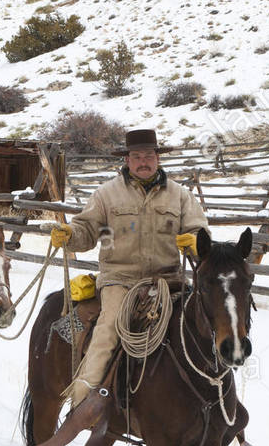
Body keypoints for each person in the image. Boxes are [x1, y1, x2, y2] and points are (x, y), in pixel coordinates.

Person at [49, 127, 209, 409]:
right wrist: (70, 235)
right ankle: (83, 401)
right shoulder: (106, 194)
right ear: (127, 160)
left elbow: (199, 233)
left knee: (204, 324)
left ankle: (216, 396)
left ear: (158, 159)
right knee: (109, 326)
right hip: (119, 280)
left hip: (169, 280)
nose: (143, 161)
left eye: (149, 155)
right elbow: (85, 229)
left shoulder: (181, 196)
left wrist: (195, 243)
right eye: (136, 156)